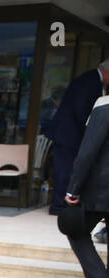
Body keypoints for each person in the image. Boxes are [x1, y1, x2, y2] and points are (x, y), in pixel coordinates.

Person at [61, 98, 109, 278]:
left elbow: (88, 152)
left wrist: (73, 188)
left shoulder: (104, 106)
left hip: (101, 189)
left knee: (76, 231)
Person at [48, 60, 109, 213]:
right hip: (67, 134)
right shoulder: (90, 80)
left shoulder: (91, 79)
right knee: (65, 170)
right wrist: (90, 130)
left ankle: (61, 204)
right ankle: (58, 206)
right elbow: (81, 108)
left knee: (67, 169)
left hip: (70, 133)